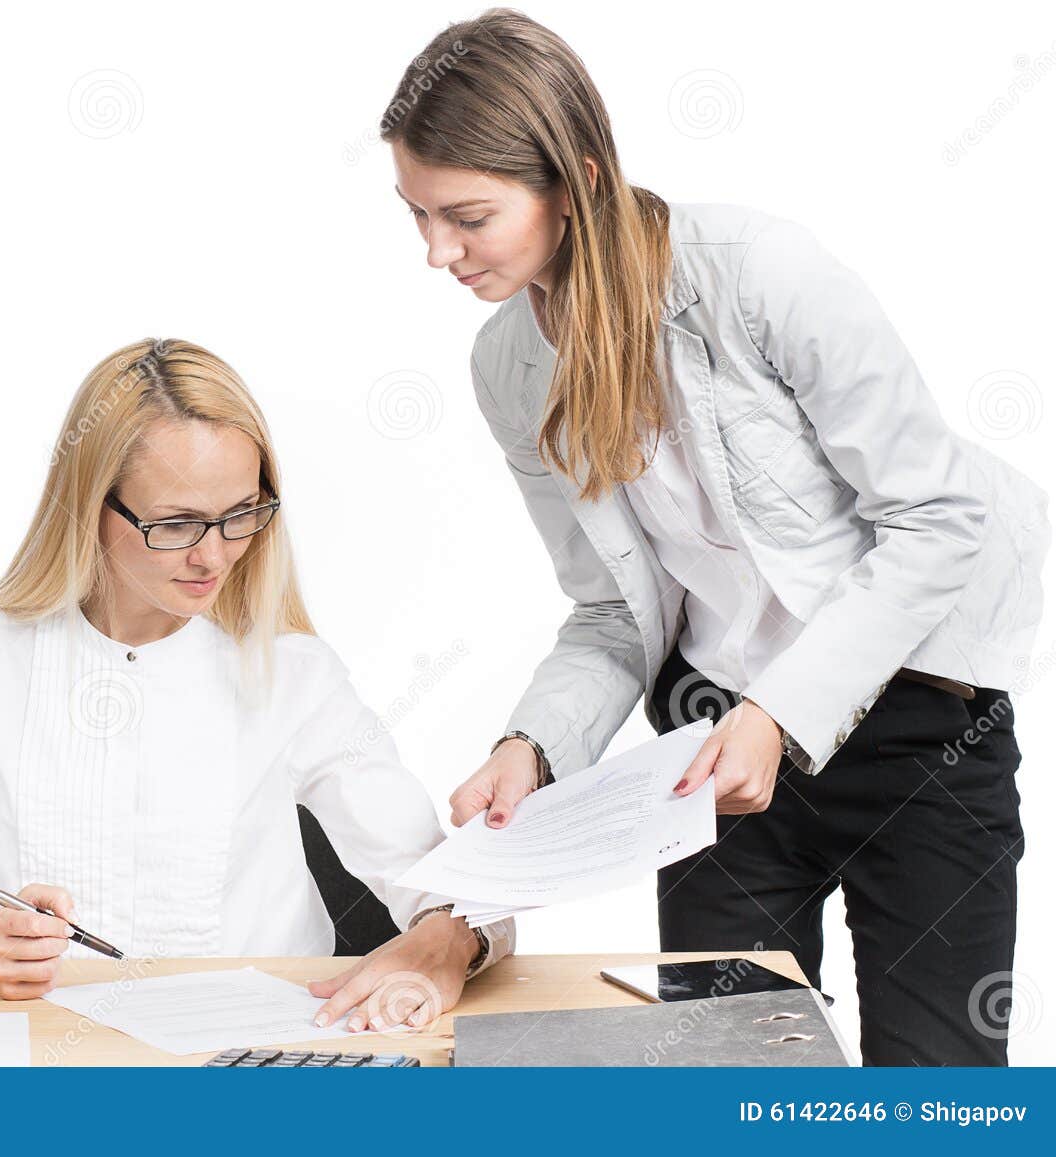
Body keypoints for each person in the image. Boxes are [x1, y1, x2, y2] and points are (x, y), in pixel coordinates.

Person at [382, 8, 1048, 1064]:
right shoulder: (507, 364)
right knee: (724, 1095)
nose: (435, 251)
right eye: (416, 214)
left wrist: (783, 712)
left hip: (923, 720)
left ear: (580, 178)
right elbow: (612, 612)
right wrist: (533, 747)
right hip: (712, 753)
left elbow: (936, 517)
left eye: (466, 215)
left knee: (942, 1107)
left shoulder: (762, 271)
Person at [0, 338, 510, 1032]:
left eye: (240, 515)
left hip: (239, 1066)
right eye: (176, 523)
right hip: (34, 1062)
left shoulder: (294, 673)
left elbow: (455, 886)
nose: (214, 554)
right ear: (90, 506)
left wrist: (446, 937)